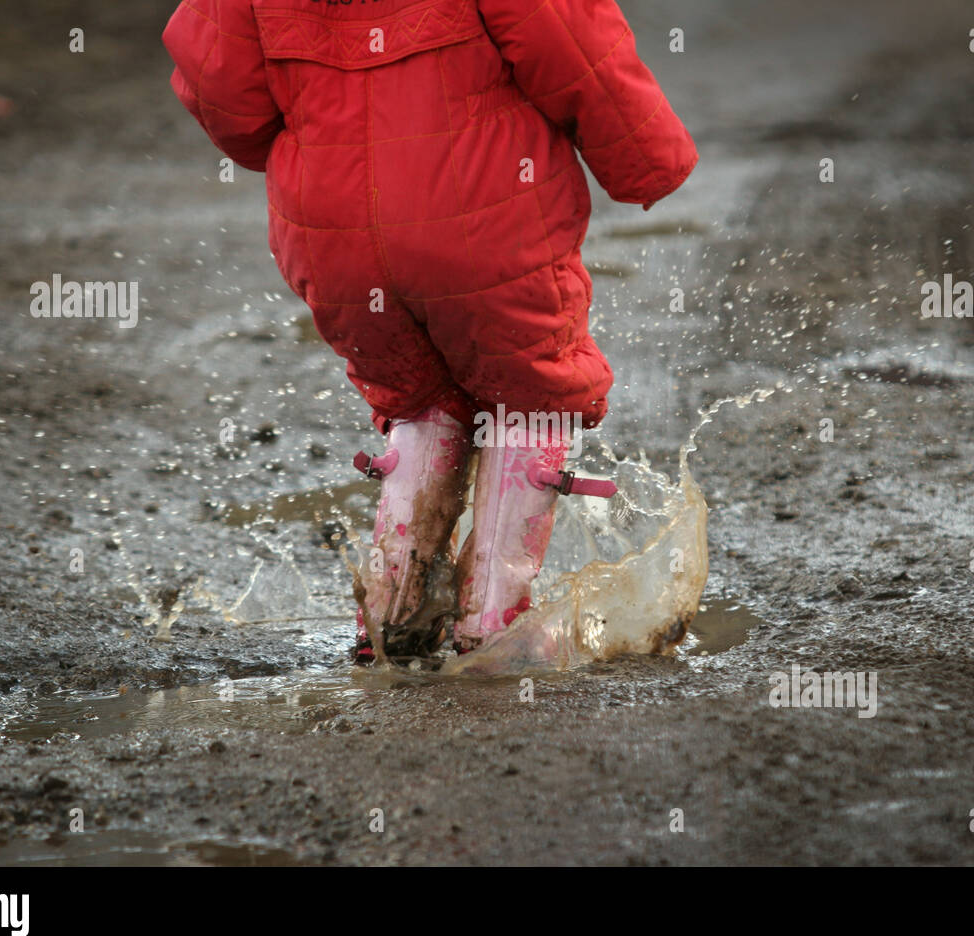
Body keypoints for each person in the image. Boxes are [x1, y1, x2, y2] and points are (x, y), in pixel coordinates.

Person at [163, 0, 697, 663]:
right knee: (529, 397)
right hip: (487, 221)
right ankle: (493, 629)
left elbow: (223, 92)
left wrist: (310, 131)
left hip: (335, 239)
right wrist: (648, 160)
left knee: (420, 405)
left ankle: (393, 621)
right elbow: (576, 46)